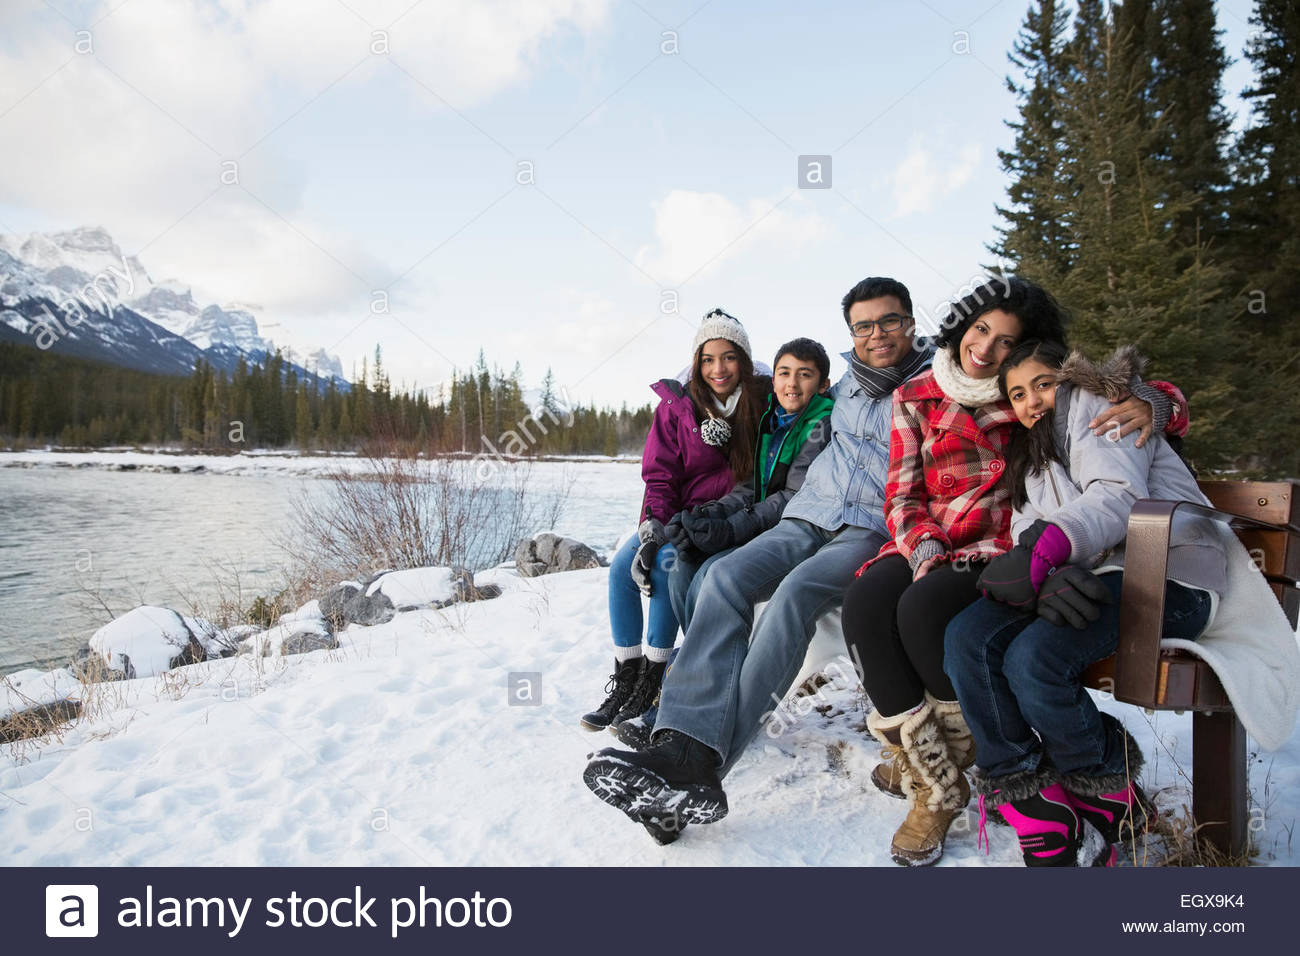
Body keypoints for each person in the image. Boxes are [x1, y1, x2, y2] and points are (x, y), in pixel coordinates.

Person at [839, 278, 1173, 867]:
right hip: (936, 541)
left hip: (1006, 547)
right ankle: (931, 776)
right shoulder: (917, 393)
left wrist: (1160, 398)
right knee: (866, 602)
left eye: (1007, 341)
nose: (988, 350)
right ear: (962, 327)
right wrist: (923, 548)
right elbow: (901, 497)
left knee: (926, 611)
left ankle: (964, 764)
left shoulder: (1028, 391)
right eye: (980, 330)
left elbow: (1102, 398)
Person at [582, 276, 928, 841]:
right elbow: (778, 403)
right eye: (863, 326)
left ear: (909, 322)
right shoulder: (845, 389)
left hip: (869, 528)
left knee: (793, 597)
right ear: (852, 334)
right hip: (805, 514)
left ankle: (702, 768)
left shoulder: (934, 383)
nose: (877, 334)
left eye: (888, 321)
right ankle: (676, 742)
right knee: (721, 577)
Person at [943, 340, 1225, 867]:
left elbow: (1119, 495)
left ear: (1067, 377)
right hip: (1093, 571)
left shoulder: (1098, 408)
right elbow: (1028, 519)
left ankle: (1105, 797)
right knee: (967, 639)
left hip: (1172, 572)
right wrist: (1044, 561)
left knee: (1035, 659)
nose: (1033, 401)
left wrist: (1049, 549)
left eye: (1043, 383)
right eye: (1019, 394)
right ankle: (1032, 798)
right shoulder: (1032, 450)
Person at [609, 338, 836, 749]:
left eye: (805, 375)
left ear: (822, 384)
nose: (792, 384)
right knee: (677, 567)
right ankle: (686, 685)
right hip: (759, 525)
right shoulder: (773, 420)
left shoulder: (820, 425)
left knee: (711, 577)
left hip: (794, 530)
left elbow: (792, 496)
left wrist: (732, 528)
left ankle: (685, 704)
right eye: (785, 373)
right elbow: (751, 485)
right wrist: (709, 514)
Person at [579, 309, 767, 731]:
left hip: (722, 520)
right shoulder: (677, 406)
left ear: (744, 360)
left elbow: (759, 477)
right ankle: (627, 680)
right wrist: (652, 527)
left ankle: (654, 678)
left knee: (665, 568)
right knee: (622, 572)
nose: (718, 369)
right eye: (708, 358)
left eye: (728, 357)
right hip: (673, 513)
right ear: (697, 362)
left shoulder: (762, 403)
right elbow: (660, 475)